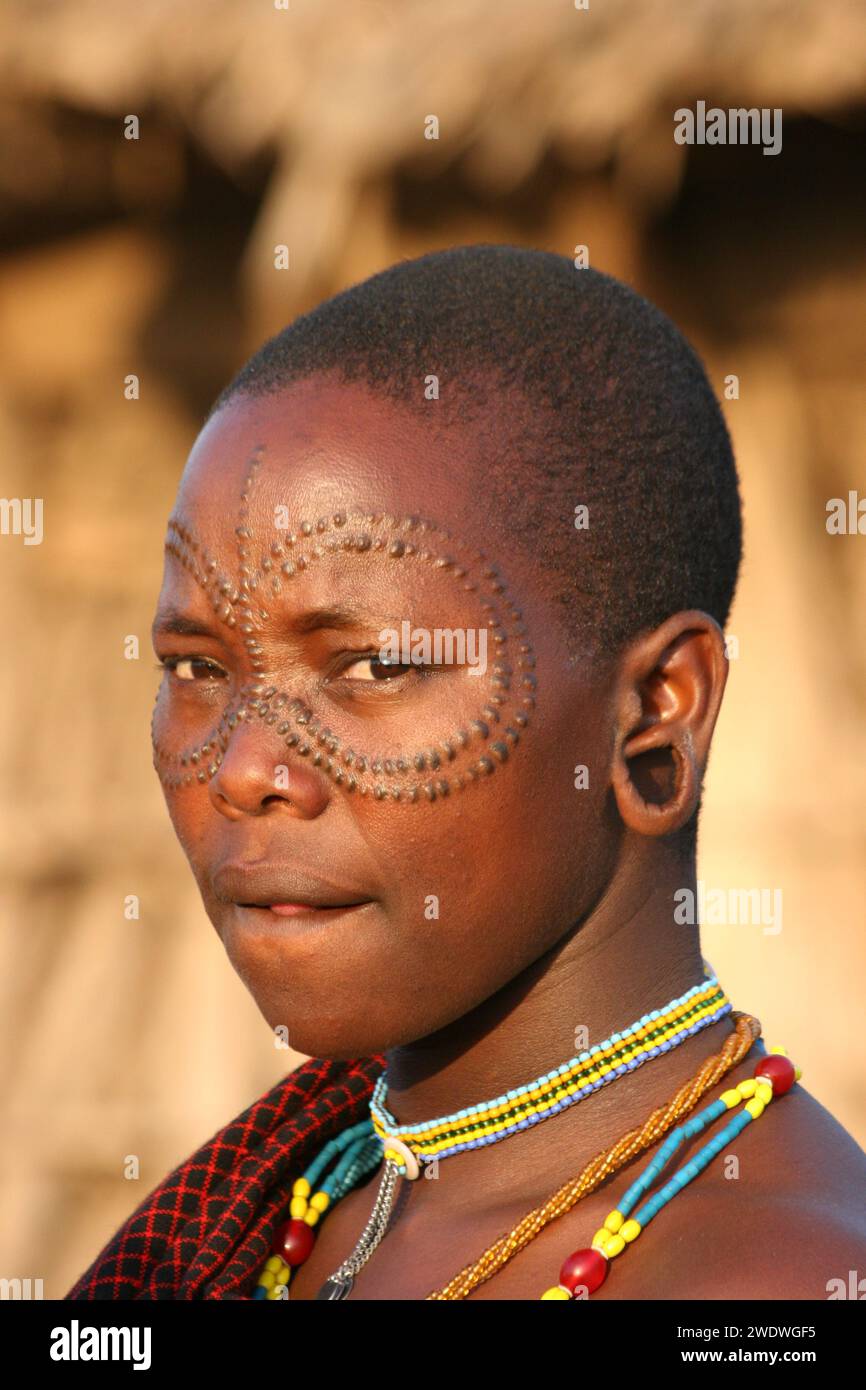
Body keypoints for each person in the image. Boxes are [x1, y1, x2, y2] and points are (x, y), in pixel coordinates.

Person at [65, 245, 866, 1301]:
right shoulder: (256, 1215)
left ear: (651, 713)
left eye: (371, 665)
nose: (245, 768)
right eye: (197, 668)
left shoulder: (781, 1286)